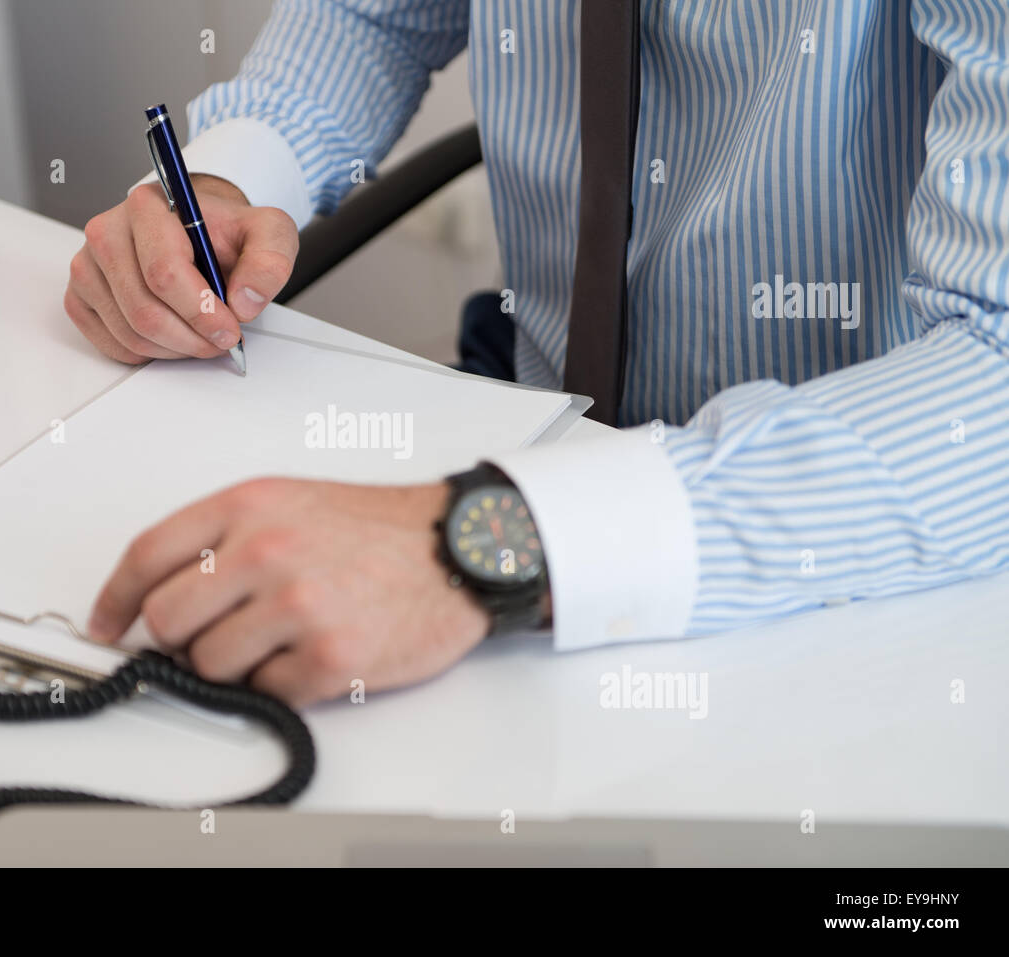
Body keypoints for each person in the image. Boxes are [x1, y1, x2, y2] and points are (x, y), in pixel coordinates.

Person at [63, 0, 1009, 706]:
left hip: (848, 545)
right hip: (531, 402)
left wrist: (490, 546)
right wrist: (234, 178)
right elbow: (375, 17)